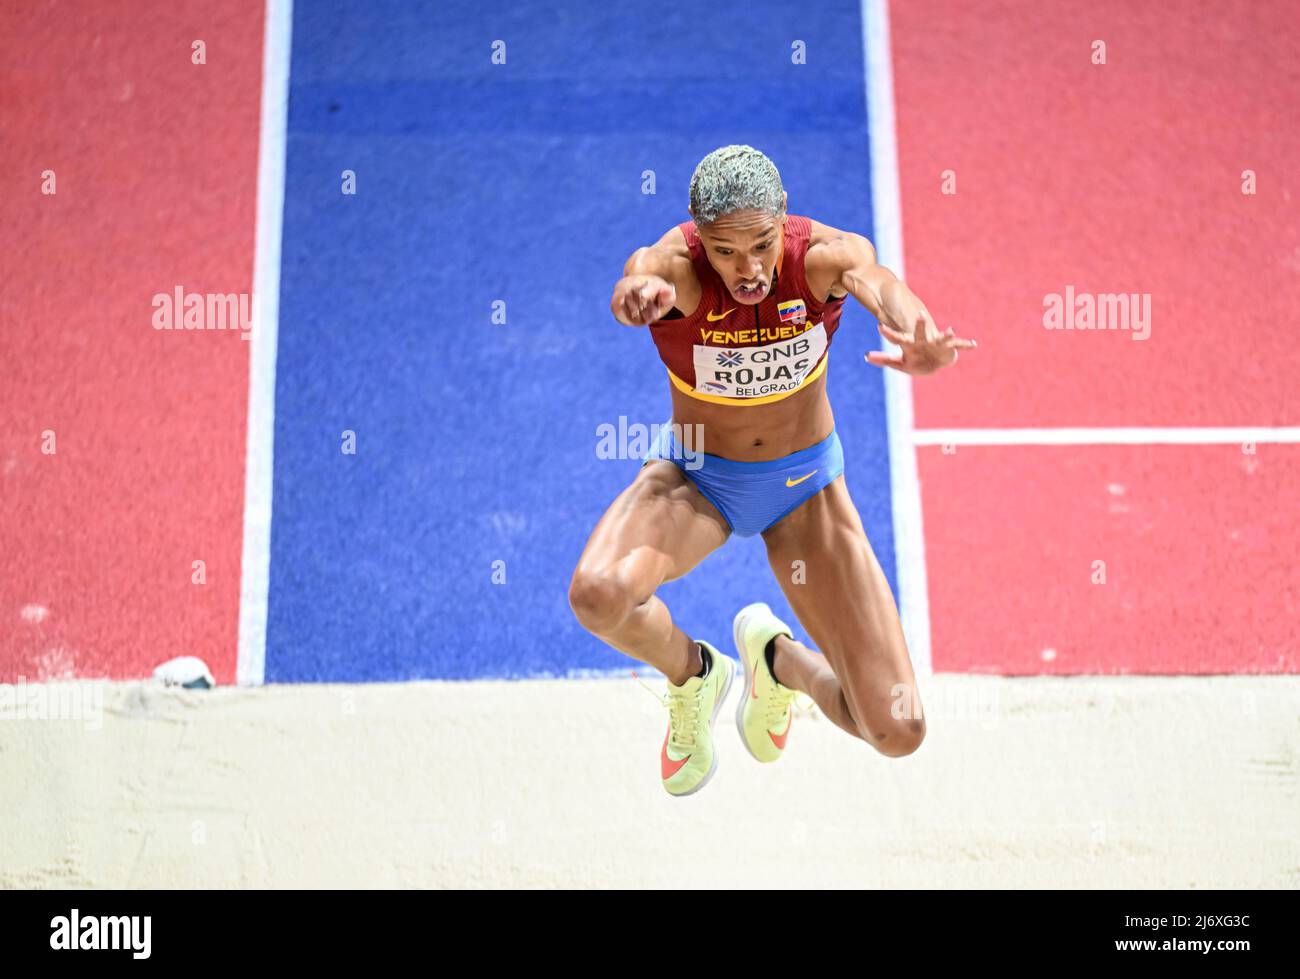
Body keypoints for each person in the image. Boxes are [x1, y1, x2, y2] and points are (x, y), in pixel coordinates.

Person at [569, 145, 976, 796]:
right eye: (726, 251)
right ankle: (694, 673)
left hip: (804, 489)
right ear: (699, 237)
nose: (748, 268)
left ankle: (777, 661)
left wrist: (915, 328)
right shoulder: (673, 269)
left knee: (897, 728)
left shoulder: (822, 259)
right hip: (697, 479)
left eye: (761, 245)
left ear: (782, 220)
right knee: (597, 595)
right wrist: (633, 299)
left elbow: (879, 282)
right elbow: (634, 284)